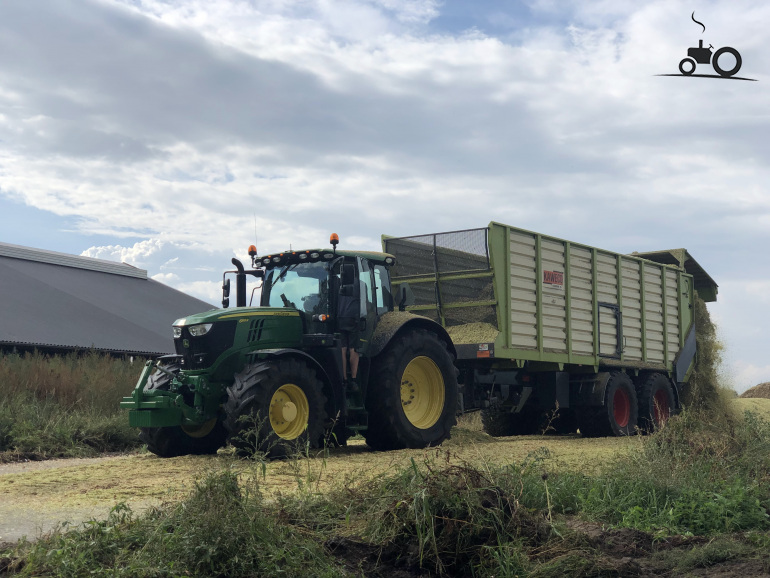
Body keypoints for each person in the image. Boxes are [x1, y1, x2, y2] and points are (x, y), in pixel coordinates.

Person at [337, 270, 360, 389]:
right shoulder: (359, 284)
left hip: (340, 318)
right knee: (353, 349)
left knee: (342, 349)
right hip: (353, 318)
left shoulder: (338, 284)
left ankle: (344, 378)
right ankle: (354, 379)